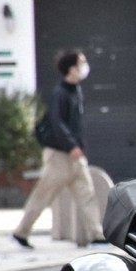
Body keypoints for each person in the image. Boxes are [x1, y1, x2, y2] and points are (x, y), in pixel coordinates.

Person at [12, 51, 105, 248]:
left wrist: (78, 147)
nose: (85, 66)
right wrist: (71, 145)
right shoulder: (60, 93)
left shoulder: (76, 91)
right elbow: (57, 123)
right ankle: (21, 233)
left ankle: (97, 235)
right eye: (82, 62)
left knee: (87, 195)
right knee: (43, 195)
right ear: (72, 68)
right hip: (60, 156)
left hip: (76, 156)